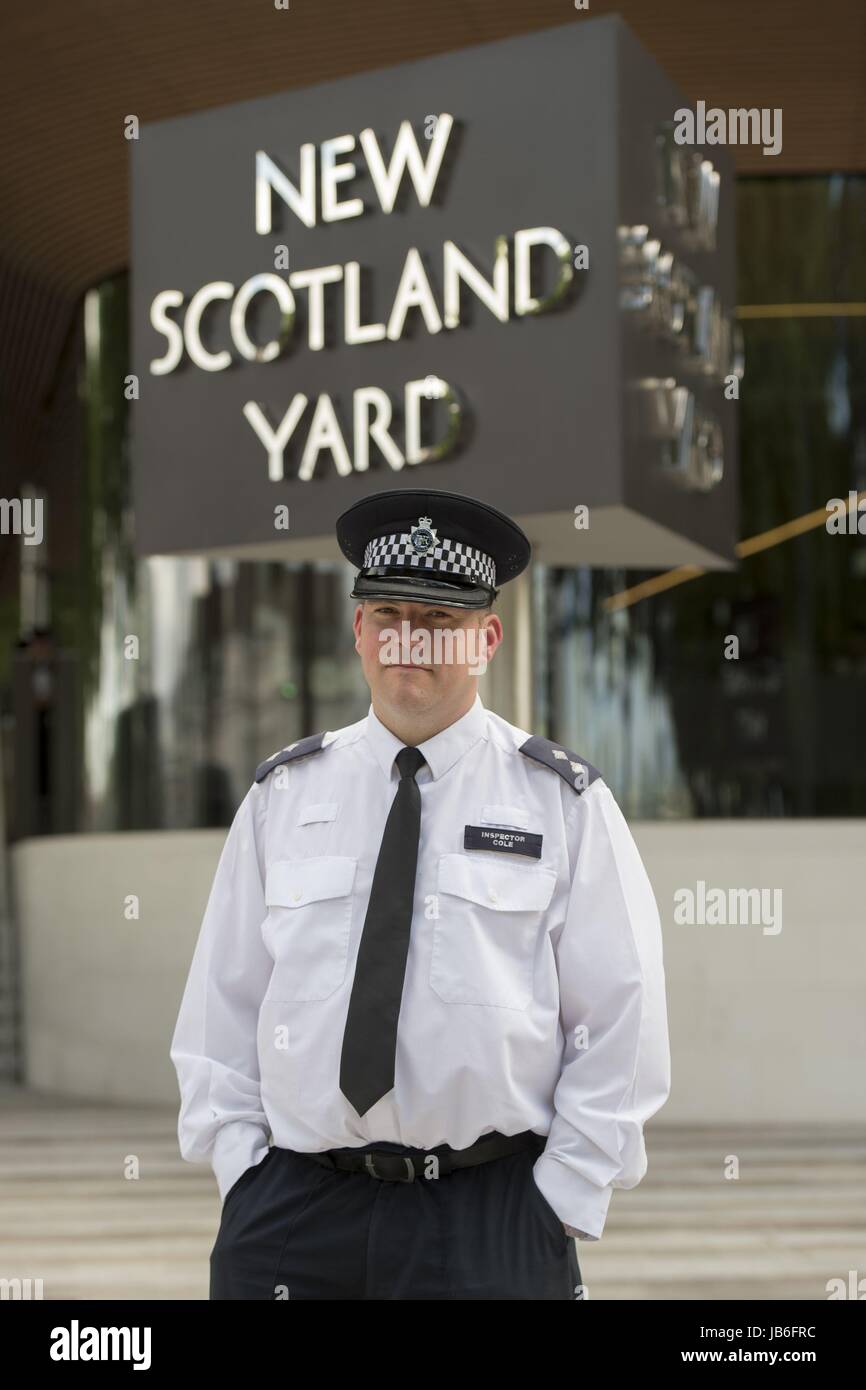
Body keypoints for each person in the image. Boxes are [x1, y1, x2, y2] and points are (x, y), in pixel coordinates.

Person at [170, 486, 671, 1300]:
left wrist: (562, 1199)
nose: (413, 639)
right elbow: (222, 1007)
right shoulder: (282, 799)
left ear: (487, 639)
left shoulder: (562, 804)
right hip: (293, 1214)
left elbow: (621, 1015)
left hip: (489, 1219)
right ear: (360, 629)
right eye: (392, 613)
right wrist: (242, 1172)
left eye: (441, 621)